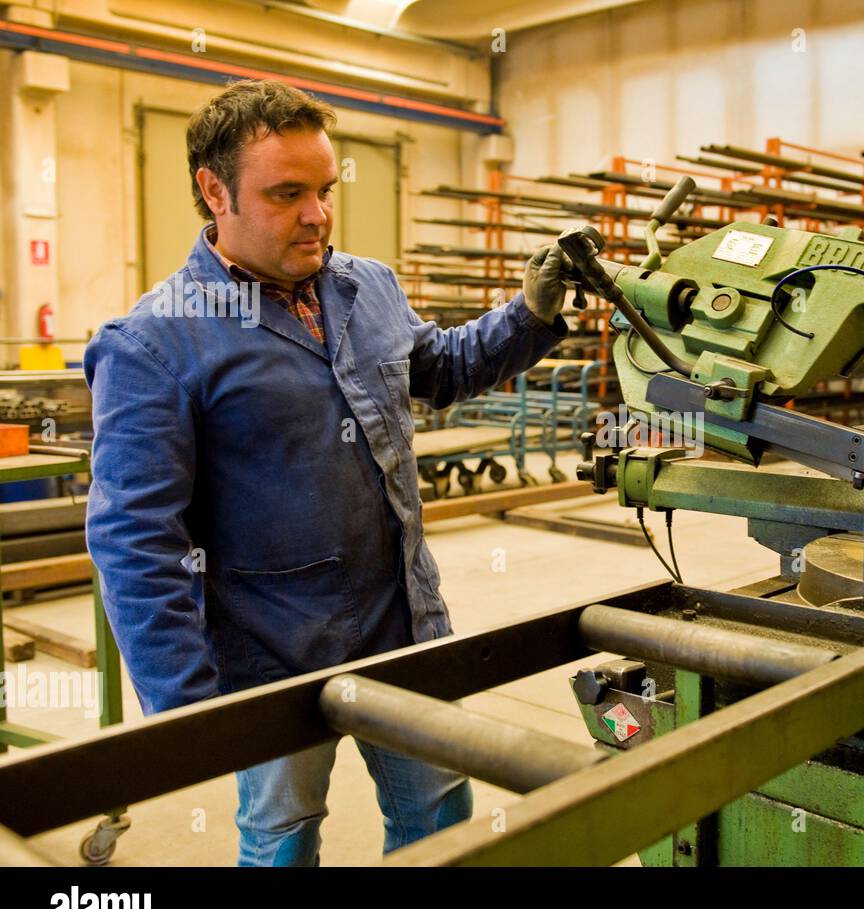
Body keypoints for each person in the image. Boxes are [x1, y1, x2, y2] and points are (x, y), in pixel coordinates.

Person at [84, 79, 569, 865]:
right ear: (215, 192)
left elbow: (437, 369)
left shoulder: (365, 285)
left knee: (440, 814)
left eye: (325, 189)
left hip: (406, 624)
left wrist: (529, 316)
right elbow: (136, 539)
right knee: (283, 838)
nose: (318, 214)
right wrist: (189, 711)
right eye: (287, 194)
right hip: (270, 656)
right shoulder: (155, 343)